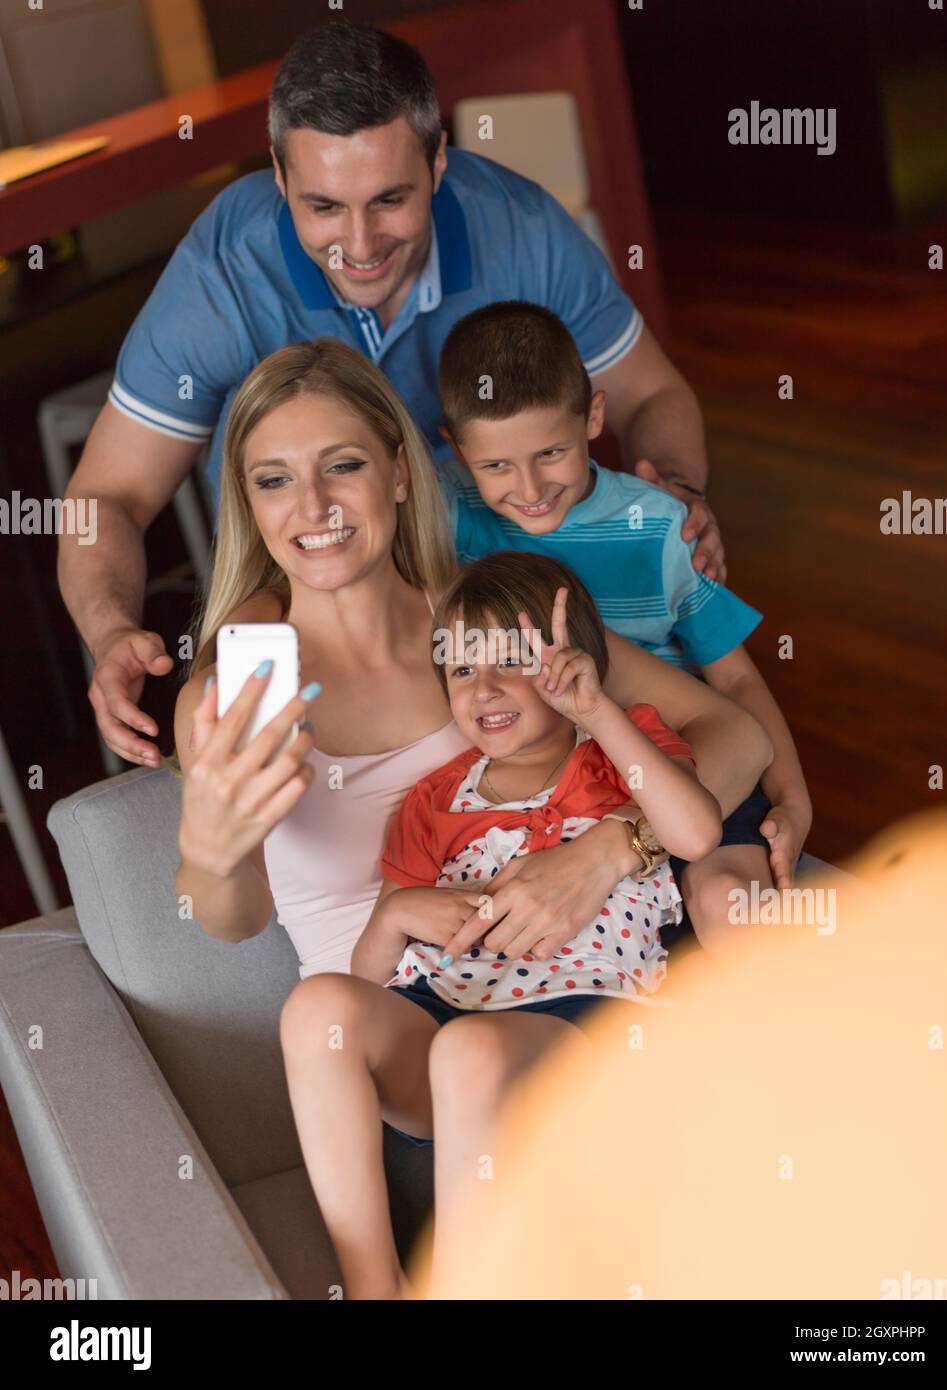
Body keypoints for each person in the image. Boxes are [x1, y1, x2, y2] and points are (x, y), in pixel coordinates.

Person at [170, 339, 769, 1296]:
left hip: (547, 1001)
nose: (313, 509)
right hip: (397, 1028)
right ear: (248, 505)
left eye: (345, 466)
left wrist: (614, 847)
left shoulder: (490, 621)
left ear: (402, 473)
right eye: (274, 480)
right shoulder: (238, 684)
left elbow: (730, 731)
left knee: (479, 1051)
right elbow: (231, 915)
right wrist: (205, 853)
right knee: (315, 1009)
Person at [58, 19, 722, 771]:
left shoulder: (523, 228)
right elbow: (104, 496)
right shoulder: (221, 276)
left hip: (497, 590)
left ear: (439, 163)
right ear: (278, 180)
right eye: (324, 207)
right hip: (300, 600)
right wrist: (110, 630)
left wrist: (677, 491)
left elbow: (651, 394)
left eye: (389, 200)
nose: (360, 244)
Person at [302, 551, 723, 1298]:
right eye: (461, 671)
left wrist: (597, 712)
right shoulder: (433, 801)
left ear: (573, 666)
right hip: (442, 1025)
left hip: (584, 1027)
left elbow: (692, 834)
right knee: (315, 1007)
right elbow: (368, 983)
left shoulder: (617, 754)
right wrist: (396, 912)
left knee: (469, 1051)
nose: (484, 688)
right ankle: (374, 1286)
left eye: (510, 663)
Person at [430, 301, 812, 944]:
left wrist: (794, 799)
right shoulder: (448, 512)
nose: (528, 487)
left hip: (678, 760)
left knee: (724, 899)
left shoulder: (661, 525)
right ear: (455, 447)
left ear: (595, 418)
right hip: (544, 781)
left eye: (551, 451)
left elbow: (739, 685)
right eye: (495, 465)